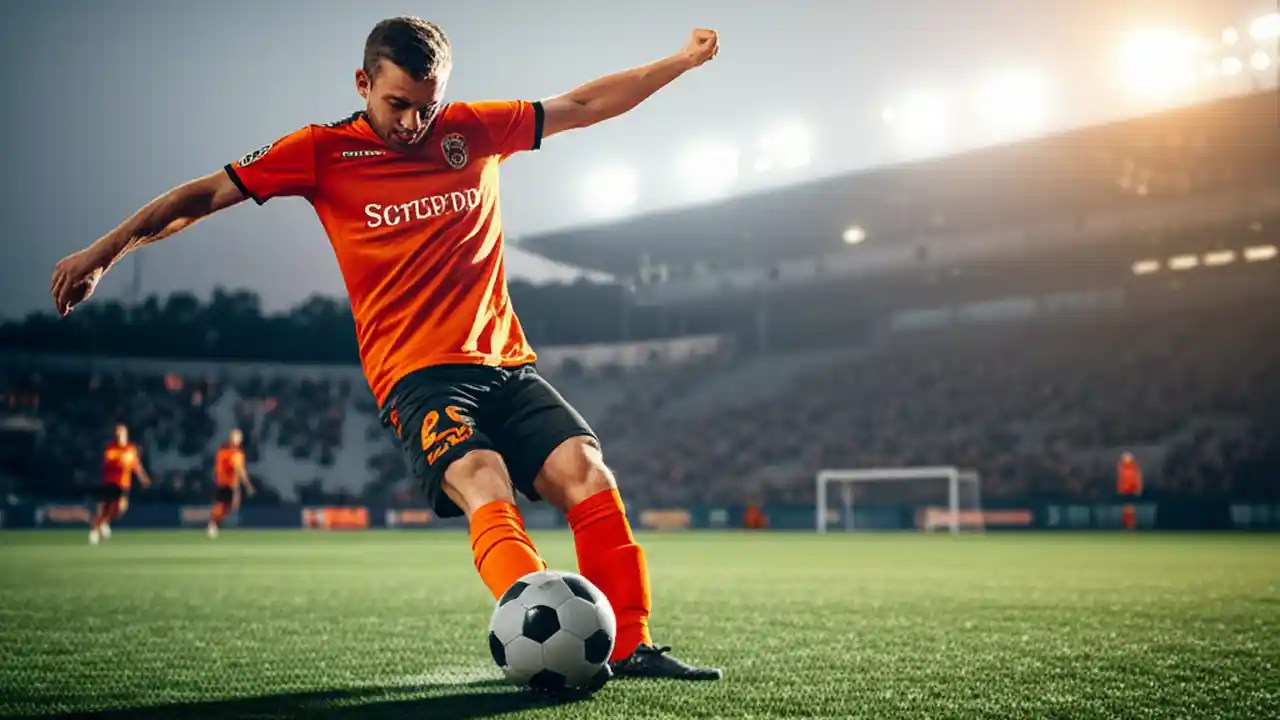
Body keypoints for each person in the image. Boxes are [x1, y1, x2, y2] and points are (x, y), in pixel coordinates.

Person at [51, 16, 721, 679]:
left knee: (588, 473)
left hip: (505, 364)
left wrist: (680, 62)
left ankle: (630, 645)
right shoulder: (321, 151)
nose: (412, 123)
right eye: (397, 104)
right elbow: (202, 196)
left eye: (426, 107)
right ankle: (546, 631)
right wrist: (104, 253)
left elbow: (584, 104)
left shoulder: (474, 130)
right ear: (362, 83)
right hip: (417, 376)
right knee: (484, 480)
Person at [91, 424, 152, 544]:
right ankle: (95, 530)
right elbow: (108, 463)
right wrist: (120, 462)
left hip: (124, 484)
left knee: (119, 510)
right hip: (110, 483)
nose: (120, 436)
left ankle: (103, 524)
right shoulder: (111, 448)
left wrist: (143, 477)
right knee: (106, 508)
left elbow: (136, 465)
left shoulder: (131, 449)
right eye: (118, 434)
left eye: (122, 433)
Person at [208, 428, 255, 539]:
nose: (239, 439)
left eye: (240, 437)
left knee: (226, 506)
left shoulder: (223, 451)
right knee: (223, 505)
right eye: (237, 437)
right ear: (232, 438)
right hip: (226, 483)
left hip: (223, 482)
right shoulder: (236, 453)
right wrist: (248, 486)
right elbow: (240, 470)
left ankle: (213, 524)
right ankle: (212, 524)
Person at [1116, 451, 1143, 530]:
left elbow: (1138, 478)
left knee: (1130, 508)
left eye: (1127, 457)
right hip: (1124, 490)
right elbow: (1120, 479)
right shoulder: (1121, 467)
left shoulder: (1134, 467)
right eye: (1124, 458)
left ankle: (1131, 524)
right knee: (1125, 508)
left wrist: (1138, 488)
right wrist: (1120, 488)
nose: (1125, 459)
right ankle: (1126, 524)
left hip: (1132, 490)